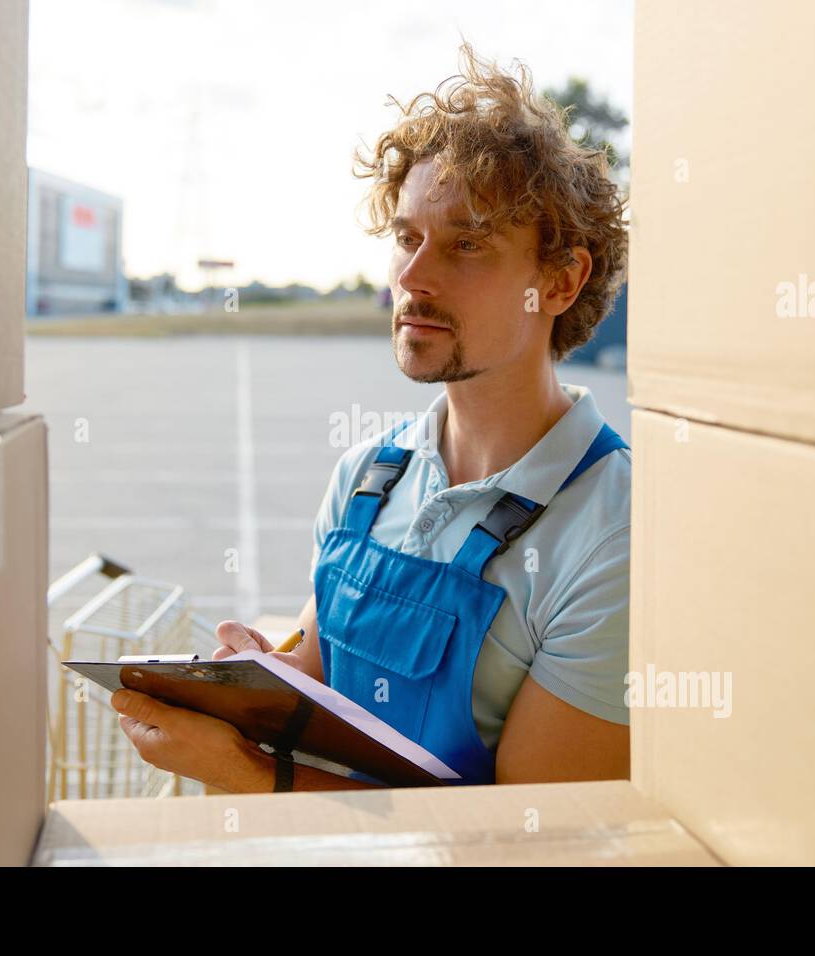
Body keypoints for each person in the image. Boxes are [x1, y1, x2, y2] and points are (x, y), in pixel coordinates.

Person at [113, 41, 630, 792]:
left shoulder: (613, 538)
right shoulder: (367, 478)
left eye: (468, 245)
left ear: (559, 281)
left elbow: (529, 839)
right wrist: (260, 688)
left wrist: (248, 775)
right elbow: (326, 680)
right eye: (407, 238)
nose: (413, 278)